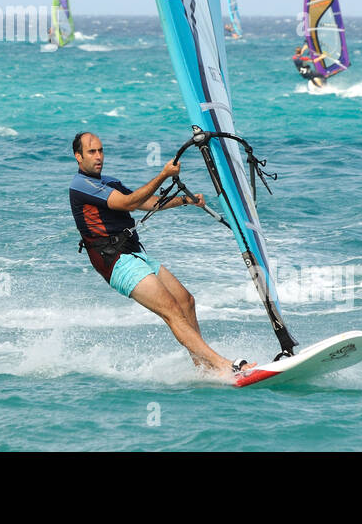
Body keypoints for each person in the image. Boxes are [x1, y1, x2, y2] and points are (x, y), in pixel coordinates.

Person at [68, 131, 255, 380]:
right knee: (172, 312)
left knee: (186, 301)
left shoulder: (108, 182)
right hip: (115, 261)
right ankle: (223, 365)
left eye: (101, 150)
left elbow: (143, 203)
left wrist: (185, 201)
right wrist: (164, 175)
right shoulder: (80, 186)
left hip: (134, 254)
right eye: (92, 152)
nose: (99, 156)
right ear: (78, 156)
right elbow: (126, 203)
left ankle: (202, 367)